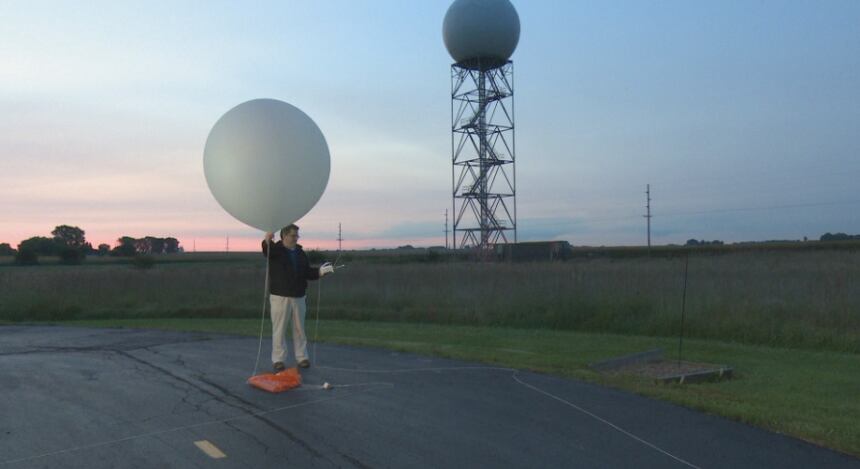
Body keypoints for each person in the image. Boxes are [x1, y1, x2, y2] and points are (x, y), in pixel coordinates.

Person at [262, 224, 334, 372]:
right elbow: (266, 250)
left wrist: (320, 272)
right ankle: (278, 360)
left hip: (299, 296)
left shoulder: (301, 253)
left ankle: (302, 357)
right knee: (279, 329)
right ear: (284, 235)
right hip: (279, 296)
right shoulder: (276, 250)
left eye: (297, 235)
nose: (296, 238)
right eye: (293, 235)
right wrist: (267, 239)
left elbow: (307, 272)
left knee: (300, 329)